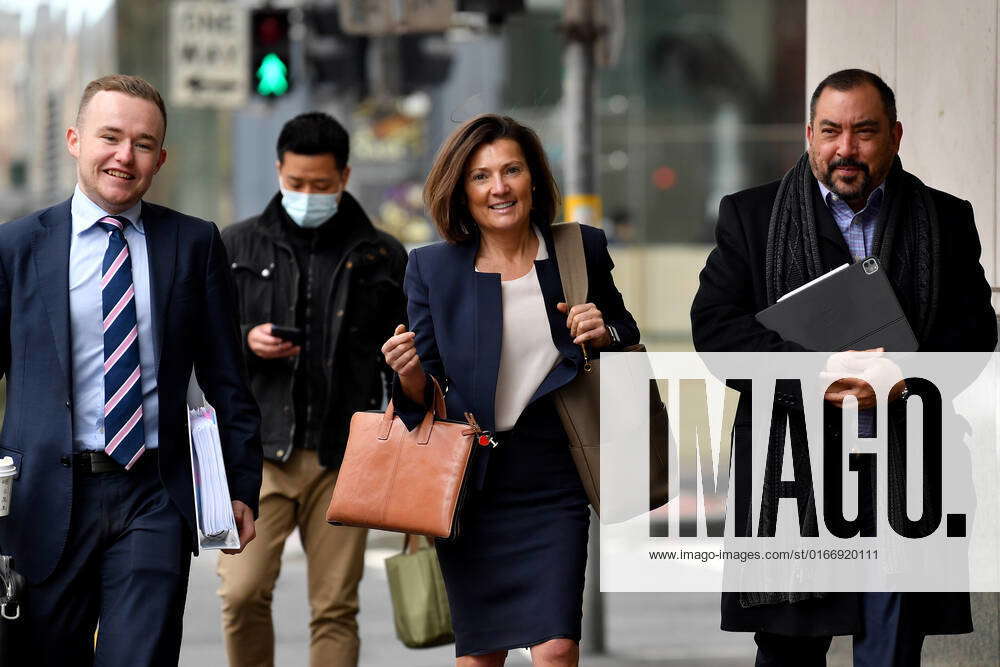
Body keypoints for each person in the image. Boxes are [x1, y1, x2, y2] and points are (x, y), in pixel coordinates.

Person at [690, 69, 997, 666]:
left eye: (864, 131)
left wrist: (907, 376)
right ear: (809, 135)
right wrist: (815, 374)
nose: (845, 149)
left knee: (892, 648)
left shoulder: (946, 220)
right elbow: (717, 329)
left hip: (903, 473)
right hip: (789, 477)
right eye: (830, 131)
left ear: (896, 136)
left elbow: (976, 332)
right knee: (789, 651)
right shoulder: (750, 218)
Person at [0, 74, 262, 665]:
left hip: (154, 495)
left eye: (143, 144)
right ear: (74, 139)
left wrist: (242, 486)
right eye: (110, 137)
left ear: (161, 157)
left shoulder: (193, 244)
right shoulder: (16, 248)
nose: (125, 156)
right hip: (44, 497)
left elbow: (226, 377)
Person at [381, 114, 639, 666]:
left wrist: (604, 329)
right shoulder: (431, 268)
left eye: (511, 170)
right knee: (482, 657)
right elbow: (419, 400)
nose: (499, 187)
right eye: (481, 176)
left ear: (534, 179)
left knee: (556, 648)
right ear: (461, 191)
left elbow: (625, 333)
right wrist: (406, 374)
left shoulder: (579, 251)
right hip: (470, 485)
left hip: (555, 478)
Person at [217, 111, 407, 666]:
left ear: (344, 177)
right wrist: (245, 339)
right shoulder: (235, 246)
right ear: (278, 170)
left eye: (321, 185)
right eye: (296, 183)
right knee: (241, 592)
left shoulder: (382, 254)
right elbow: (202, 347)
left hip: (343, 457)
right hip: (257, 457)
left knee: (334, 608)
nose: (307, 194)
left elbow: (404, 356)